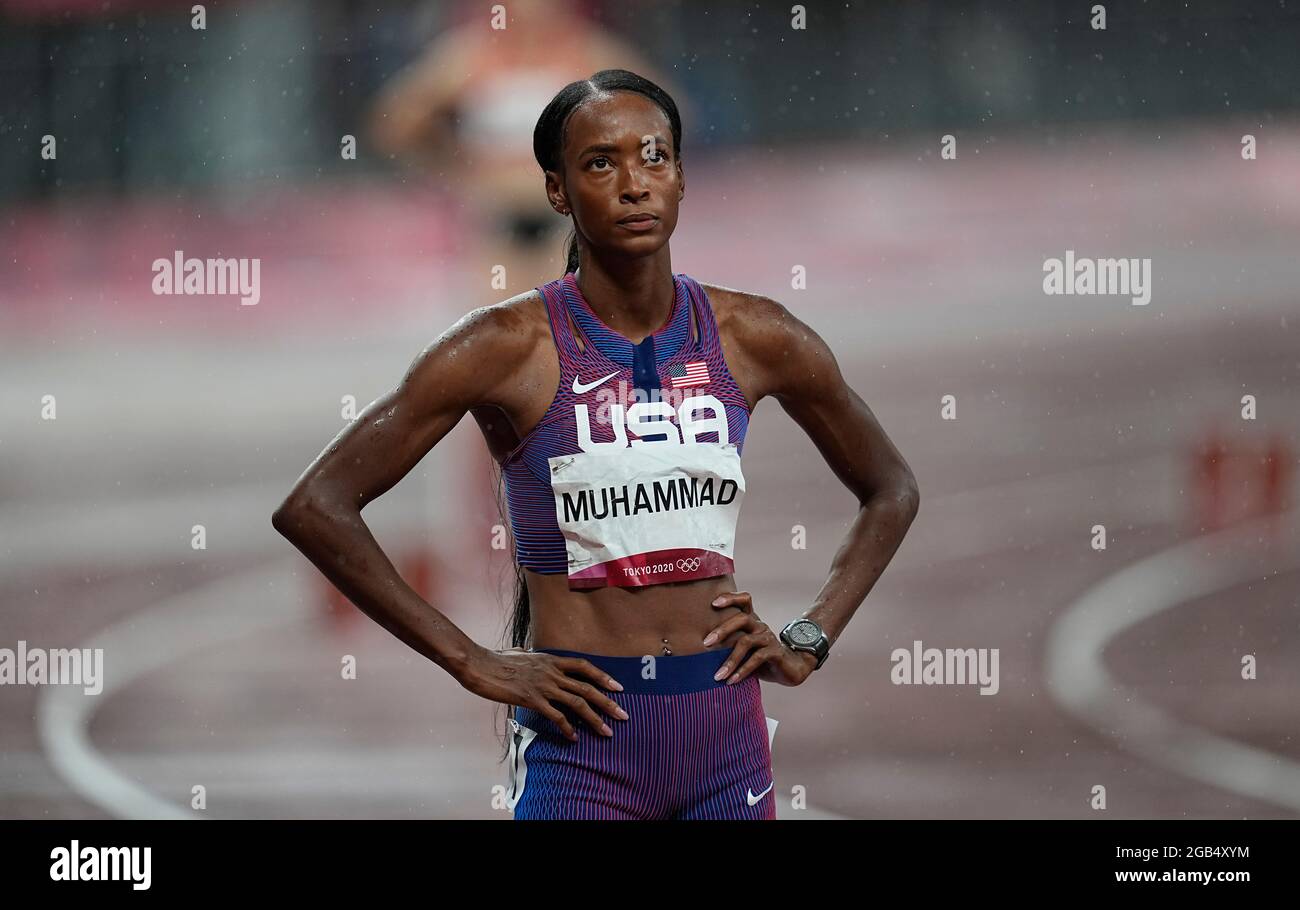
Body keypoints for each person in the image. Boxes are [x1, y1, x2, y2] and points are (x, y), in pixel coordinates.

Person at [273, 69, 919, 820]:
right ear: (556, 191)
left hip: (727, 742)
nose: (636, 184)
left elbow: (891, 488)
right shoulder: (503, 347)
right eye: (602, 163)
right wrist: (471, 662)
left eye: (655, 158)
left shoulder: (757, 337)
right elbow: (316, 506)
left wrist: (809, 637)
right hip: (584, 752)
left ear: (681, 177)